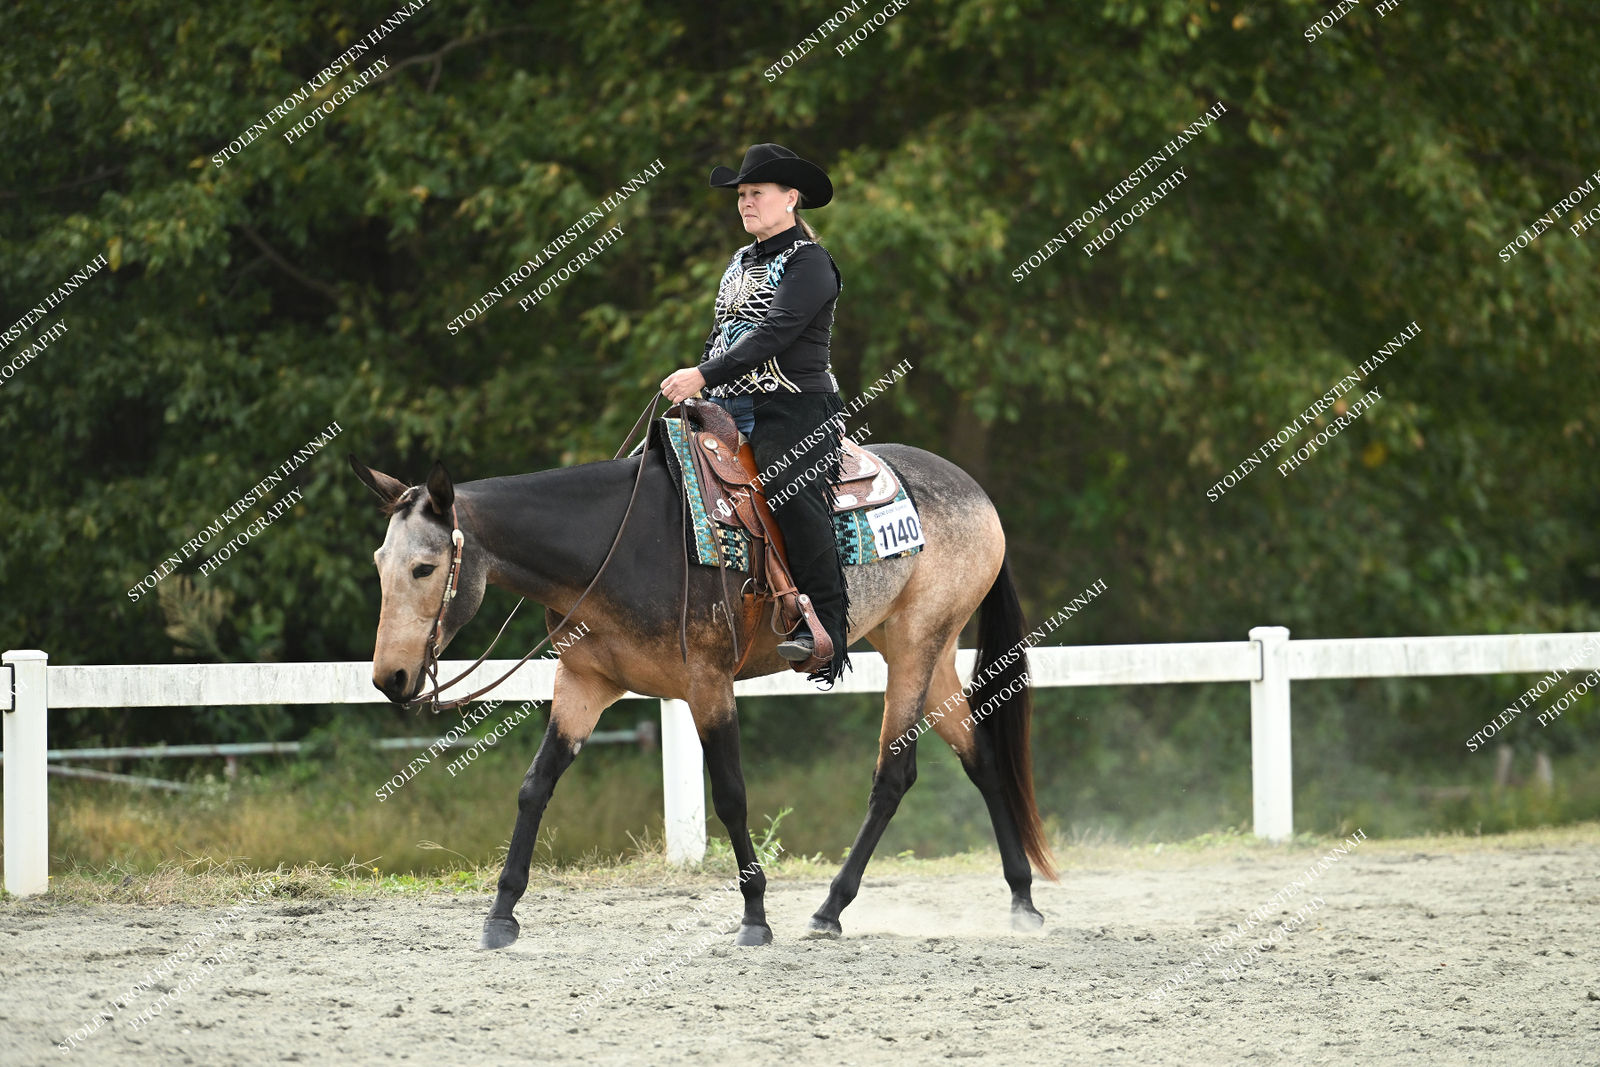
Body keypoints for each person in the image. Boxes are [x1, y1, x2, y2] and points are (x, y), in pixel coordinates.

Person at [659, 143, 850, 685]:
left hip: (794, 405)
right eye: (741, 194)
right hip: (725, 403)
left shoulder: (811, 262)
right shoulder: (739, 261)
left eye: (756, 193)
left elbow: (775, 333)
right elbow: (722, 332)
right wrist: (699, 388)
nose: (745, 202)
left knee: (788, 487)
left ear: (790, 199)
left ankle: (825, 630)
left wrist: (702, 374)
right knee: (663, 472)